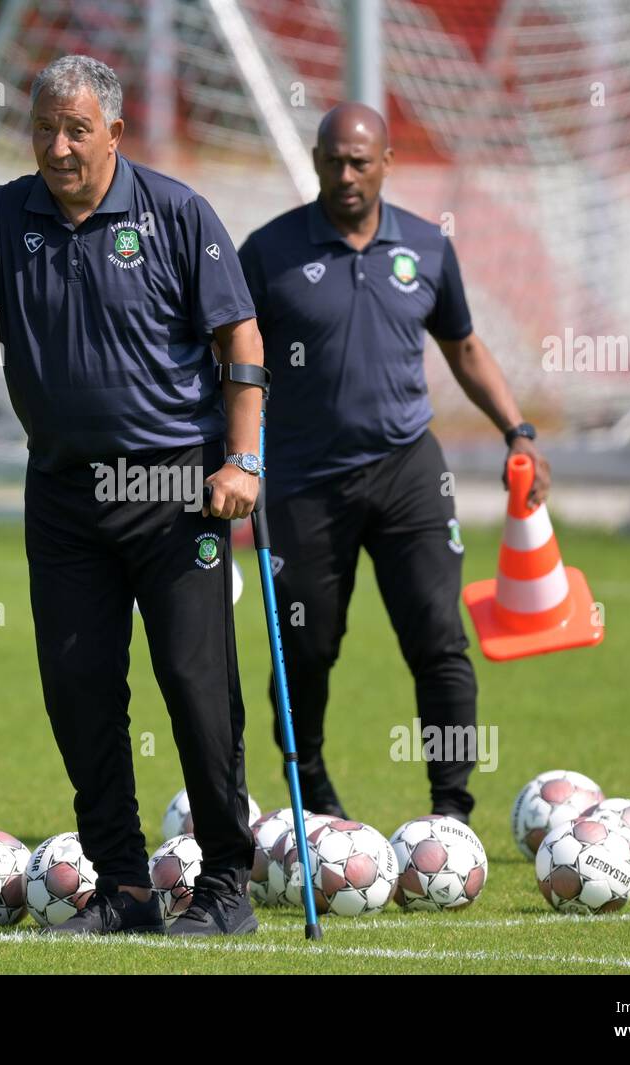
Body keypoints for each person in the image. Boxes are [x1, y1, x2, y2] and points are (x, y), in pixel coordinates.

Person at [0, 55, 267, 934]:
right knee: (79, 692)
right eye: (44, 128)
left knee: (197, 687)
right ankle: (124, 886)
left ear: (114, 131)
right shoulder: (6, 213)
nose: (58, 146)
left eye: (76, 130)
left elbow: (241, 335)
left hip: (177, 489)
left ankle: (225, 883)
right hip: (65, 496)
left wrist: (245, 462)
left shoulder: (178, 213)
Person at [237, 103, 551, 824]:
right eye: (333, 161)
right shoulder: (268, 253)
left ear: (385, 163)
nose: (346, 174)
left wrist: (518, 430)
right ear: (316, 162)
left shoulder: (427, 248)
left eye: (360, 161)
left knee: (439, 639)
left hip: (409, 469)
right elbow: (228, 358)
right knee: (306, 648)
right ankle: (310, 787)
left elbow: (464, 347)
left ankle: (452, 811)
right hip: (304, 480)